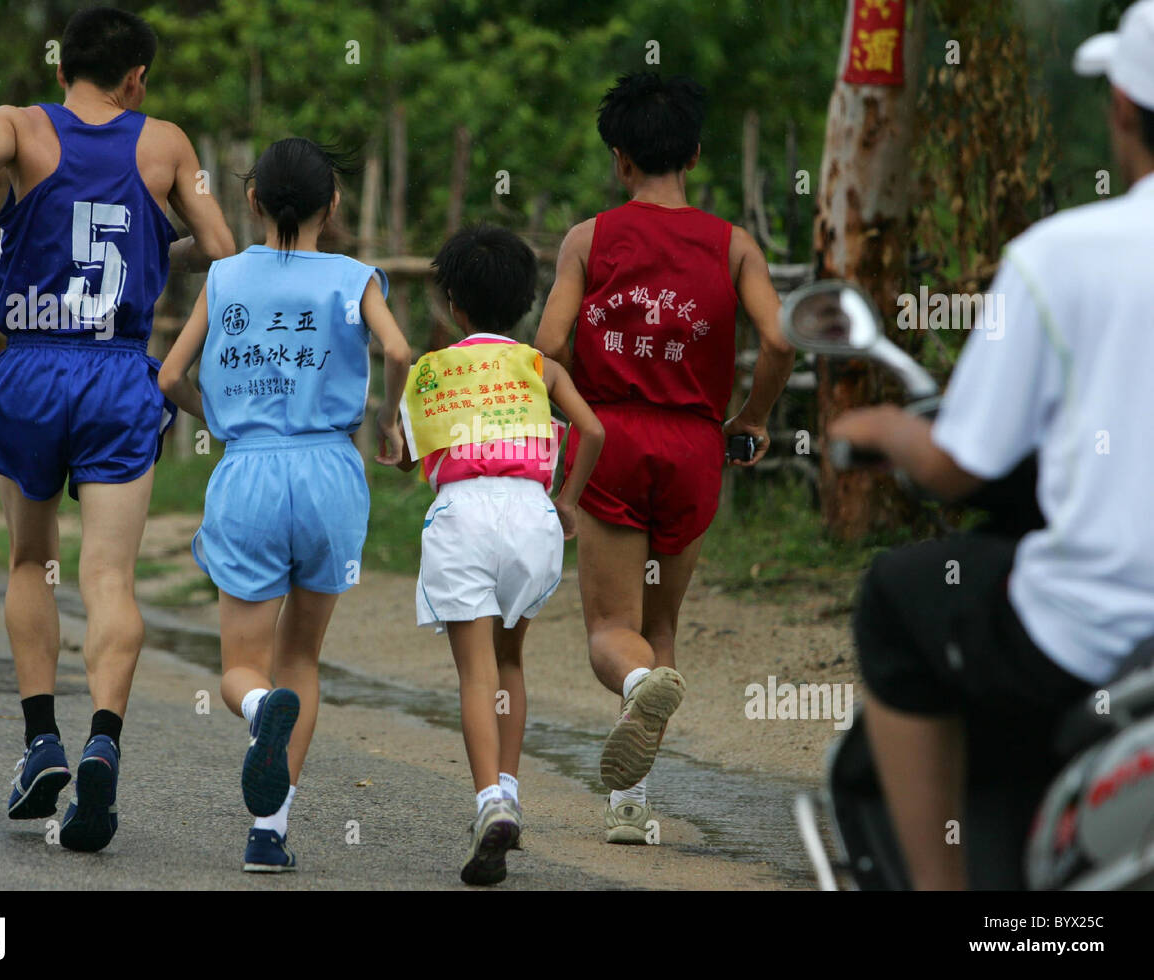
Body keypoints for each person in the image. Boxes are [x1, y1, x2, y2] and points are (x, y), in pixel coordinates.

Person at [828, 0, 1154, 889]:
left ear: (1121, 106)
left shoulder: (1062, 256)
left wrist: (883, 429)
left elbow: (959, 463)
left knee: (900, 595)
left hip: (1091, 635)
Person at [0, 6, 236, 853]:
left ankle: (39, 745)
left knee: (30, 559)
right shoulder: (165, 142)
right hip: (119, 372)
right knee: (110, 580)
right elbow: (226, 251)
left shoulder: (15, 123)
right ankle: (102, 740)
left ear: (63, 69)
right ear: (136, 79)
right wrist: (148, 254)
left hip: (30, 369)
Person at [534, 72, 794, 843]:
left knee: (611, 634)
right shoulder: (733, 245)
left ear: (621, 160)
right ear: (695, 155)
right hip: (693, 447)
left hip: (609, 440)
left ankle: (639, 693)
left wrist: (573, 415)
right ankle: (631, 804)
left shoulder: (588, 239)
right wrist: (751, 416)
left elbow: (547, 347)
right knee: (660, 623)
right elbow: (779, 340)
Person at [159, 136, 411, 872]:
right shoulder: (354, 275)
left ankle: (259, 711)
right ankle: (269, 831)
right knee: (301, 654)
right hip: (332, 470)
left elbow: (172, 373)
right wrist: (390, 422)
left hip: (249, 474)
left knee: (244, 667)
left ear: (252, 201)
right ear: (333, 208)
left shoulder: (227, 275)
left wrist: (225, 424)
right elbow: (398, 352)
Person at [394, 225, 603, 884]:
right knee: (511, 658)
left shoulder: (430, 372)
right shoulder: (543, 368)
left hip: (463, 518)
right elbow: (593, 430)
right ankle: (508, 789)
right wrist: (567, 500)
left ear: (454, 305)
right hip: (531, 515)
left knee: (474, 673)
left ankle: (488, 803)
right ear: (524, 304)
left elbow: (401, 455)